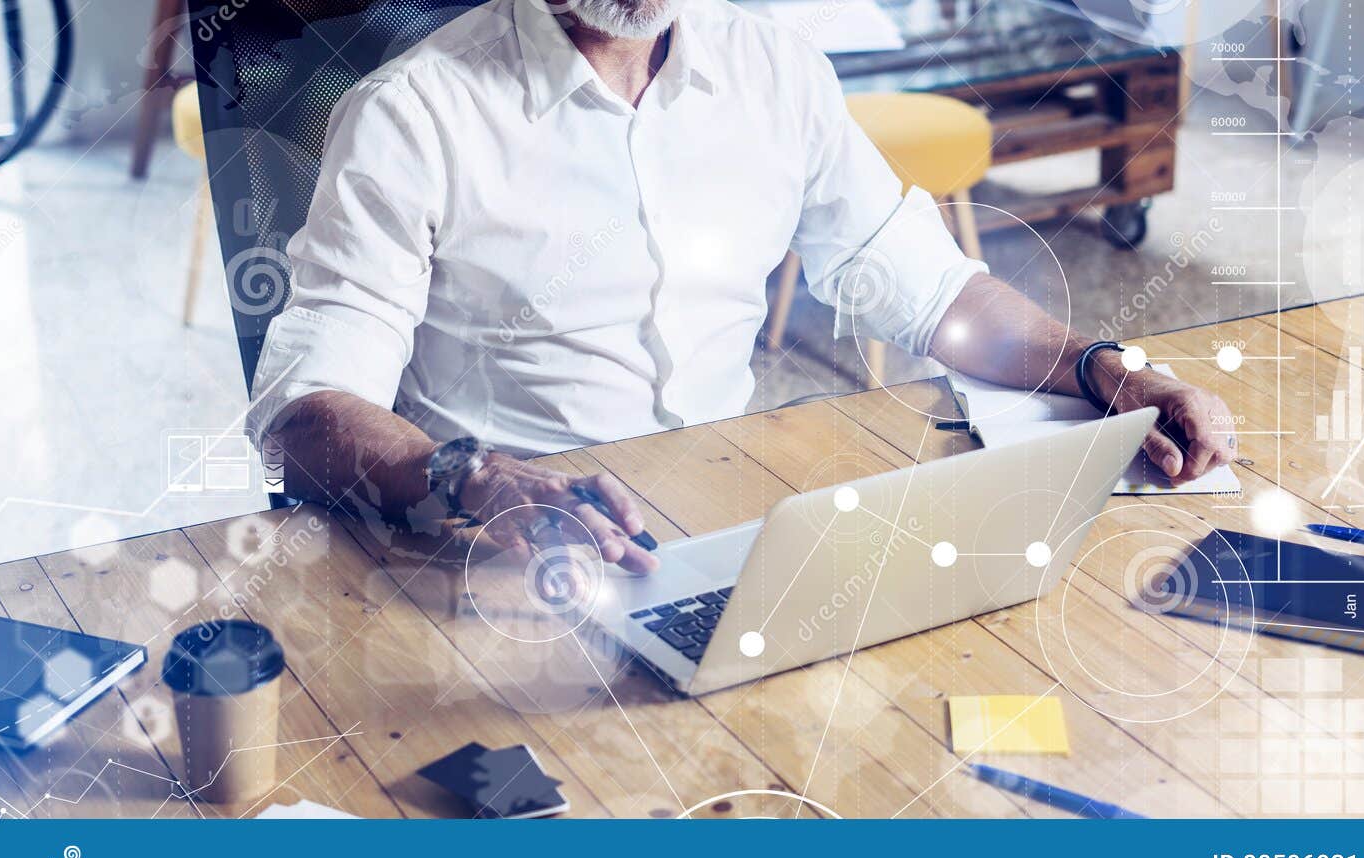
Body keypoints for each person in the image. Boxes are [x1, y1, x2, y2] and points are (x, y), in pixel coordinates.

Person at [246, 0, 1236, 575]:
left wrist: (1103, 369)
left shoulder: (774, 70)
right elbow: (304, 413)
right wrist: (475, 480)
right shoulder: (410, 114)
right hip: (479, 541)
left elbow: (932, 293)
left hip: (712, 531)